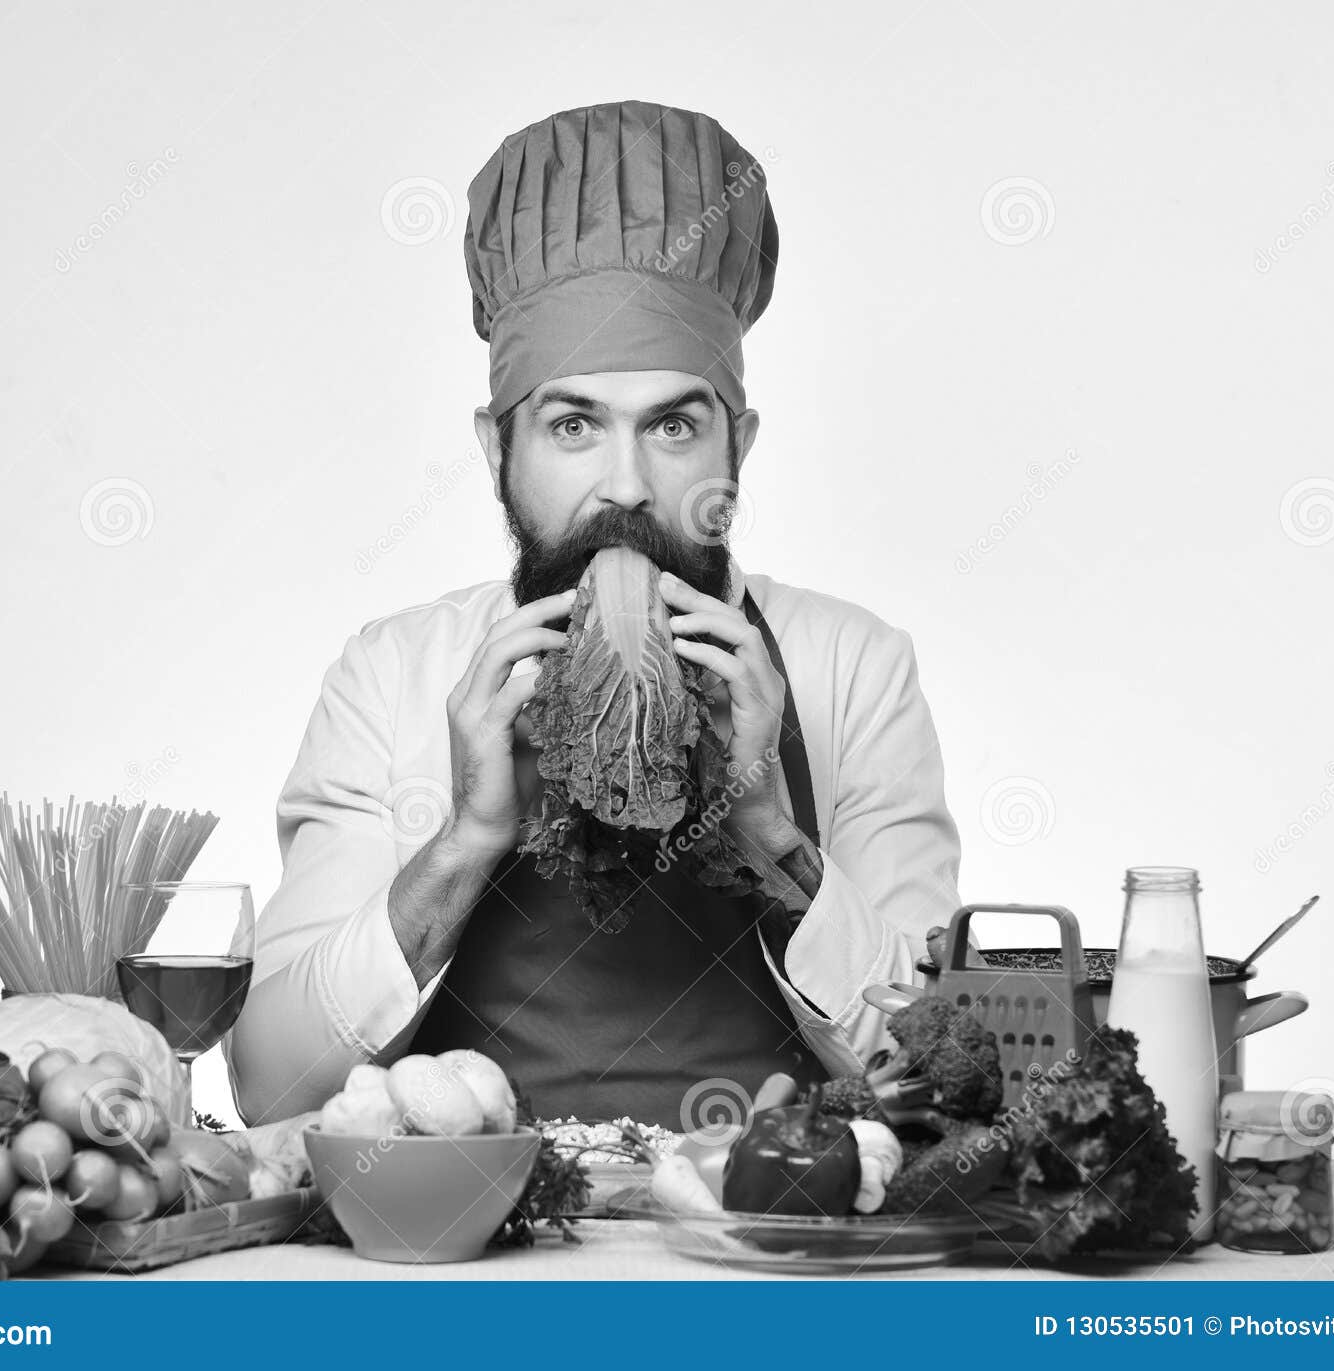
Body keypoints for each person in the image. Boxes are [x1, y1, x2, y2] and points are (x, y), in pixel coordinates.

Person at [227, 100, 962, 1128]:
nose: (625, 486)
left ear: (734, 448)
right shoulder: (394, 672)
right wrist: (464, 842)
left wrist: (763, 828)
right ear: (498, 451)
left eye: (671, 425)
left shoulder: (851, 667)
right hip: (472, 1252)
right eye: (573, 425)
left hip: (767, 1239)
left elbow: (935, 1071)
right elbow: (270, 1084)